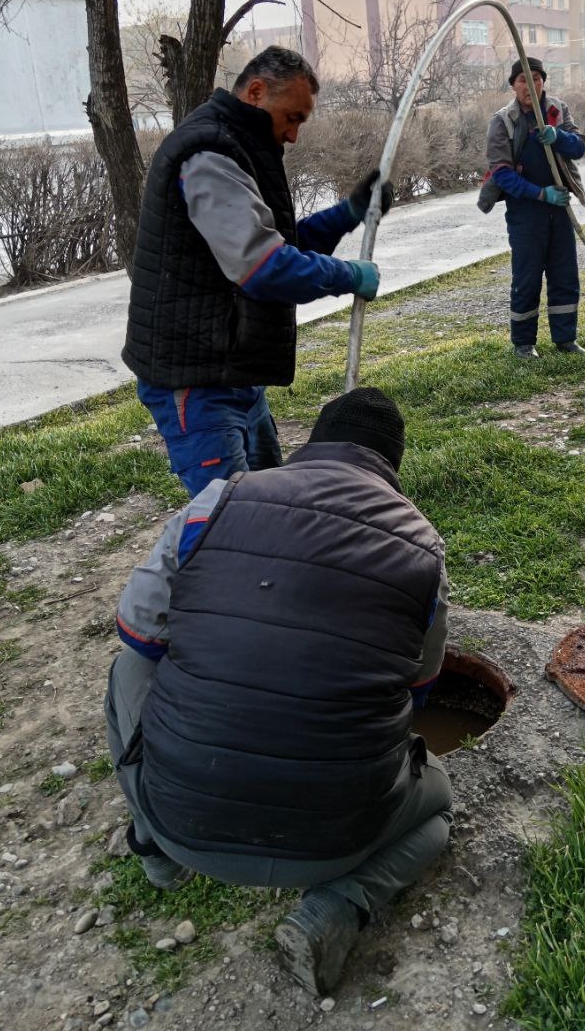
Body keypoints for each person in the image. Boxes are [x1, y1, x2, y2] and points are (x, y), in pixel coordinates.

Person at [105, 386, 452, 997]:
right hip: (336, 839)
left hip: (180, 813)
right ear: (392, 466)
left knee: (126, 668)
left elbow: (138, 628)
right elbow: (419, 686)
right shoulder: (422, 544)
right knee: (439, 810)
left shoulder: (219, 498)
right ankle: (338, 904)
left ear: (309, 446)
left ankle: (150, 842)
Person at [122, 46, 394, 496]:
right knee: (227, 522)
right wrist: (348, 275)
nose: (294, 135)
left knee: (268, 505)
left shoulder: (241, 146)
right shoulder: (209, 154)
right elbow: (263, 267)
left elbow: (277, 245)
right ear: (255, 91)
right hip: (197, 380)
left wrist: (348, 214)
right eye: (293, 118)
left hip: (233, 374)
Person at [481, 57, 585, 358]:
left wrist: (559, 137)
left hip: (561, 209)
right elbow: (501, 173)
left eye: (537, 79)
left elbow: (579, 147)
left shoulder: (557, 111)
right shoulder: (503, 121)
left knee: (565, 274)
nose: (531, 86)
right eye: (523, 81)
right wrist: (541, 194)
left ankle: (566, 339)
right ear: (513, 86)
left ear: (544, 81)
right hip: (526, 212)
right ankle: (524, 344)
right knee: (527, 277)